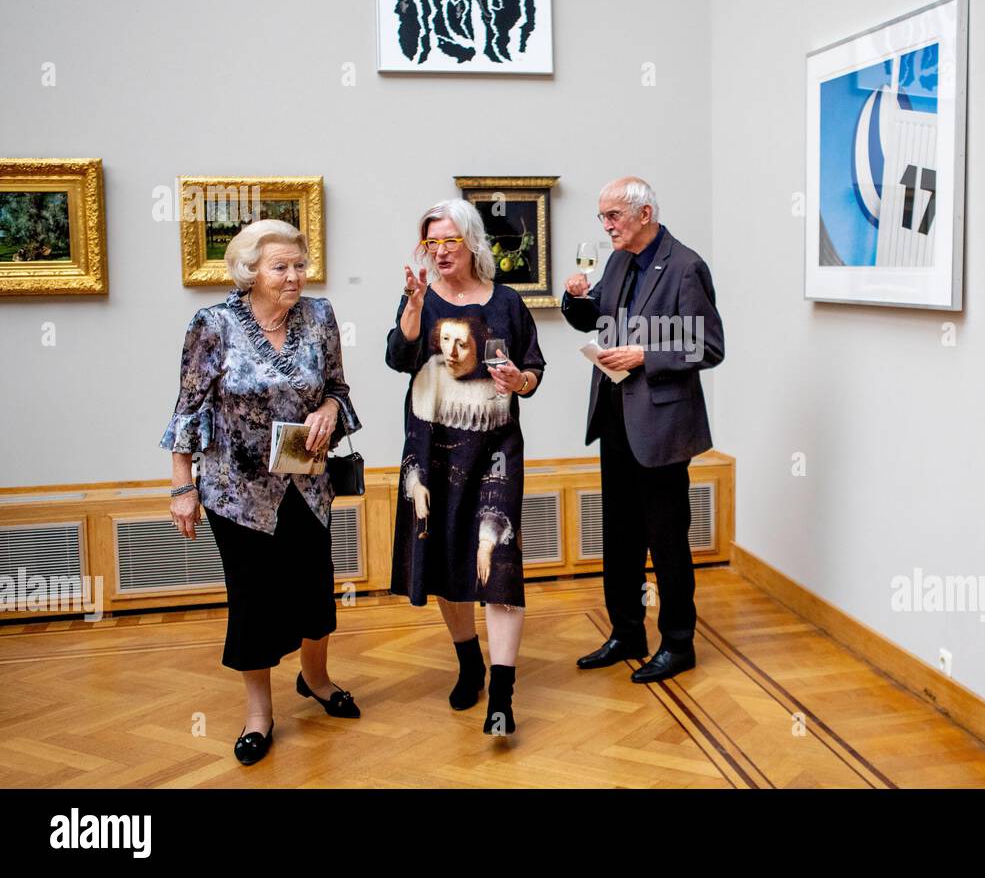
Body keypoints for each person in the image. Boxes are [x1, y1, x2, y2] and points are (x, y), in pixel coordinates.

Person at [161, 219, 363, 767]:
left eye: (299, 265)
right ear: (251, 271)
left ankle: (316, 679)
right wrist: (183, 487)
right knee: (253, 603)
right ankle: (259, 715)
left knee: (316, 595)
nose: (295, 276)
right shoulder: (214, 324)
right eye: (281, 267)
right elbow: (188, 409)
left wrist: (328, 409)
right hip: (236, 492)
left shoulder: (319, 317)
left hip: (306, 484)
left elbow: (339, 390)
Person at [386, 199, 546, 736]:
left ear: (473, 241)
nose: (441, 251)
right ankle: (468, 660)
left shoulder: (507, 303)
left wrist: (518, 382)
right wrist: (412, 308)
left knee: (497, 564)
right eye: (432, 242)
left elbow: (533, 370)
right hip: (431, 449)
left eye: (450, 240)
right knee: (445, 560)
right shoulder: (421, 300)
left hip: (496, 451)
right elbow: (396, 357)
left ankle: (502, 696)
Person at [561, 176, 724, 683]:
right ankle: (627, 632)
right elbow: (599, 320)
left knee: (667, 539)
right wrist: (576, 301)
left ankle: (678, 644)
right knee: (621, 537)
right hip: (616, 420)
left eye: (613, 216)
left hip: (663, 428)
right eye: (603, 217)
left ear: (645, 214)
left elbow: (708, 346)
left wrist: (646, 356)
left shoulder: (686, 265)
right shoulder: (616, 260)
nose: (606, 225)